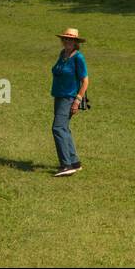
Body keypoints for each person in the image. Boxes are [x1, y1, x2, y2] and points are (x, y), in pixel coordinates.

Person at [50, 27, 89, 177]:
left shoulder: (78, 58)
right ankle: (74, 162)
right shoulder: (63, 54)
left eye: (71, 39)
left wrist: (77, 100)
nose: (67, 41)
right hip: (59, 97)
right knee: (64, 128)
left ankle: (66, 165)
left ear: (76, 42)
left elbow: (85, 81)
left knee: (58, 128)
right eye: (65, 38)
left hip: (69, 98)